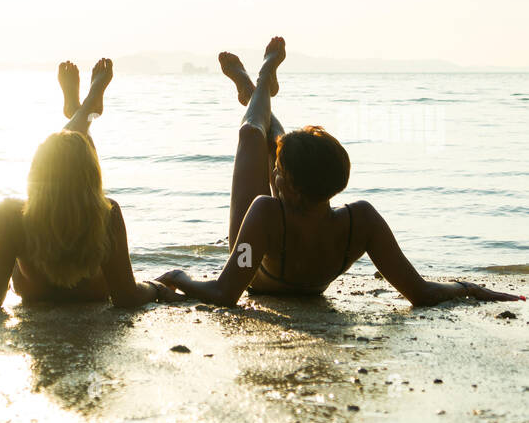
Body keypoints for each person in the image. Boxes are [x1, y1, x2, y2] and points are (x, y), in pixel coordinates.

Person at [157, 37, 525, 309]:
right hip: (292, 221)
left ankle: (261, 84)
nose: (274, 174)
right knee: (281, 141)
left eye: (278, 173)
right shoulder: (360, 219)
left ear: (286, 186)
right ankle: (257, 89)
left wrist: (178, 277)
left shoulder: (264, 212)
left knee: (252, 133)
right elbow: (422, 292)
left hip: (260, 273)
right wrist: (469, 288)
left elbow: (225, 292)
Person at [0, 58, 172, 308]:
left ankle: (84, 110)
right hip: (93, 294)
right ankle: (84, 109)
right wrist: (154, 287)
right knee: (75, 160)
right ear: (94, 176)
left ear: (35, 172)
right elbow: (127, 296)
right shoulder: (107, 213)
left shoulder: (11, 214)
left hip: (34, 291)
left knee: (62, 157)